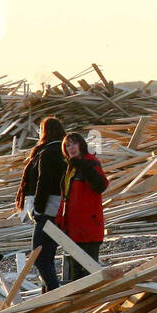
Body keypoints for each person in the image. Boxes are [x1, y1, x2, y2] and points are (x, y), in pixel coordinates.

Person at [16, 116, 67, 292]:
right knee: (48, 255)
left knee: (40, 257)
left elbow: (43, 182)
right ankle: (48, 294)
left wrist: (37, 208)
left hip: (47, 210)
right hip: (59, 208)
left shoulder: (47, 152)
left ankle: (54, 292)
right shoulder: (63, 151)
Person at [55, 131, 109, 282]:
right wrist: (59, 220)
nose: (70, 148)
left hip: (89, 226)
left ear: (81, 145)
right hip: (73, 227)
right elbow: (65, 197)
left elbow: (101, 186)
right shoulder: (70, 168)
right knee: (74, 274)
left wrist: (84, 167)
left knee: (91, 272)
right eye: (67, 145)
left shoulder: (91, 162)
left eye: (73, 143)